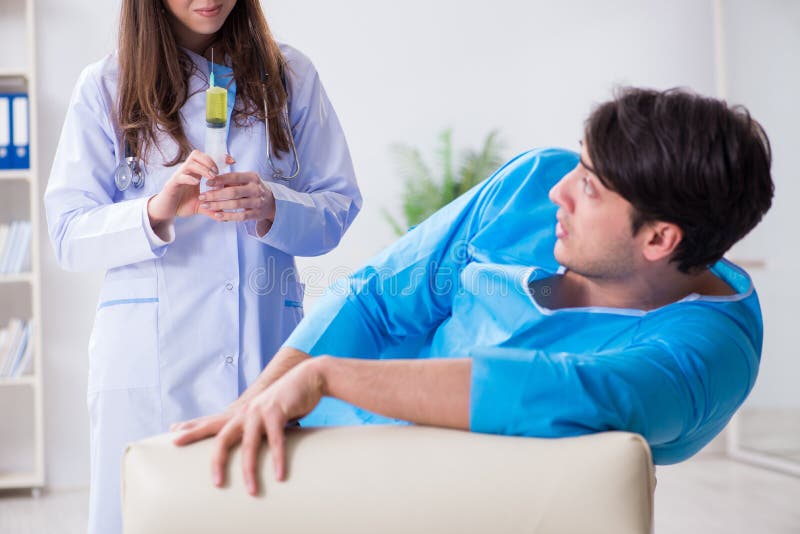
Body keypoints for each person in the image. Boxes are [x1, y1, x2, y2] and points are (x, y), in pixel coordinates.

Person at [173, 87, 773, 497]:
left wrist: (327, 375)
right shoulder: (532, 186)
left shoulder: (705, 356)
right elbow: (377, 296)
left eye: (591, 186)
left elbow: (560, 391)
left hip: (462, 497)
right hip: (319, 448)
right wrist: (254, 403)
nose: (560, 191)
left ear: (660, 238)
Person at [44, 1, 361, 532]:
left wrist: (273, 205)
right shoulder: (106, 84)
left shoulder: (290, 77)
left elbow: (339, 203)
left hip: (264, 352)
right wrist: (154, 211)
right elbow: (68, 233)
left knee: (262, 513)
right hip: (147, 369)